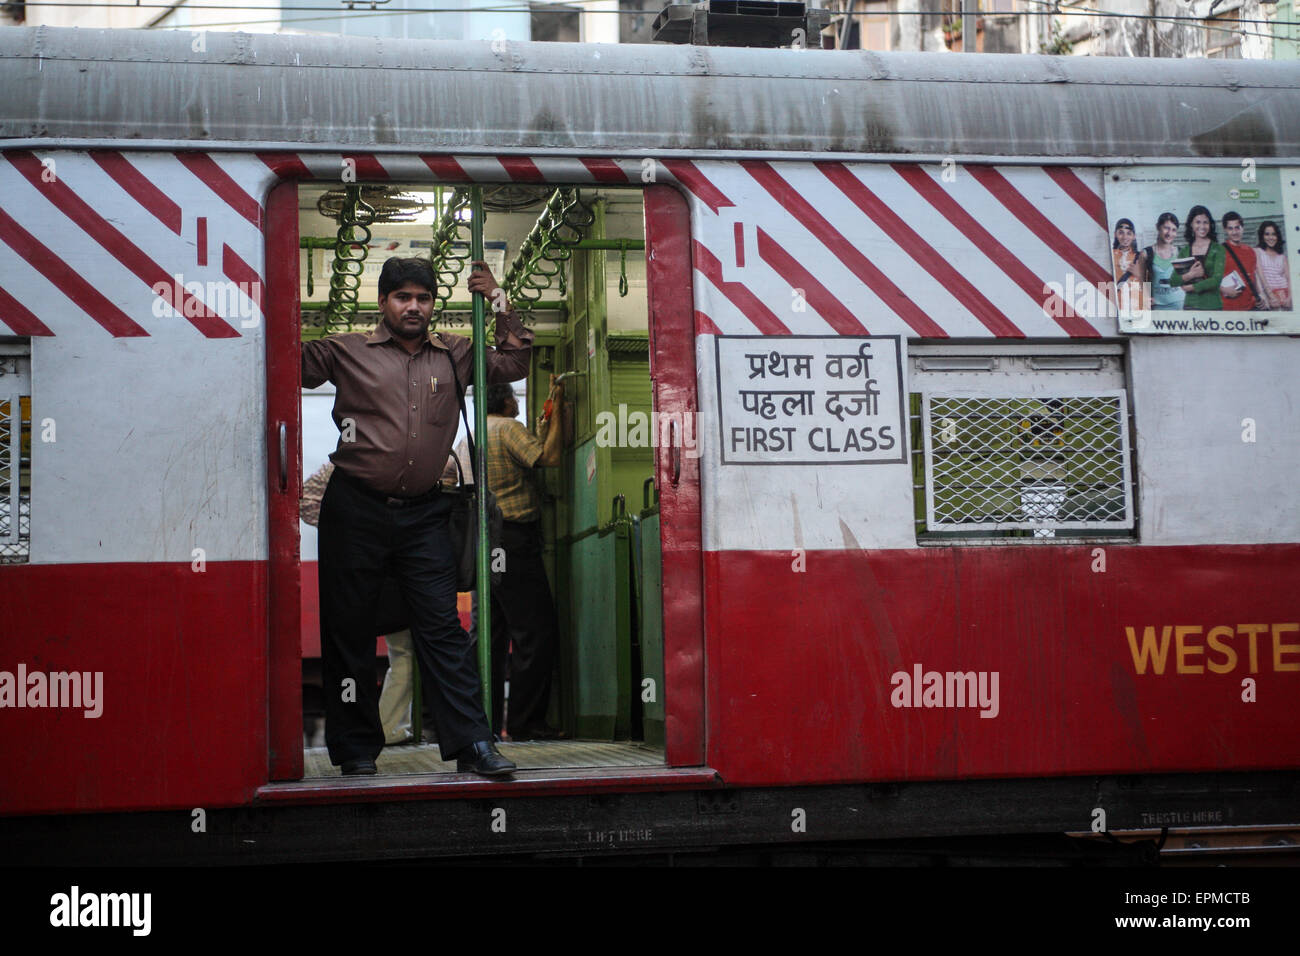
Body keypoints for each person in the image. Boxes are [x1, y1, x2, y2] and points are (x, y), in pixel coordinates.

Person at [302, 256, 531, 777]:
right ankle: (356, 752)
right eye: (402, 297)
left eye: (423, 298)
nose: (413, 307)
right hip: (354, 508)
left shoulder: (456, 353)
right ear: (382, 302)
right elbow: (280, 363)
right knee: (349, 632)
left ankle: (472, 744)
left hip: (426, 513)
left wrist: (498, 298)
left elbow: (515, 363)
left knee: (443, 628)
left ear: (433, 304)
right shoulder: (345, 350)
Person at [450, 380, 566, 741]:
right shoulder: (507, 428)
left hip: (483, 544)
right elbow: (547, 457)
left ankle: (476, 724)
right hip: (513, 540)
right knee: (534, 631)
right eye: (514, 396)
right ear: (504, 401)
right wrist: (559, 411)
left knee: (489, 635)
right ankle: (525, 722)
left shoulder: (464, 441)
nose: (517, 402)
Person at [300, 461, 416, 747]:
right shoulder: (396, 462)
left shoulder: (338, 464)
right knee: (404, 652)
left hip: (352, 568)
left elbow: (306, 502)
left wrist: (342, 530)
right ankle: (387, 727)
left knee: (355, 651)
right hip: (389, 571)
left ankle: (360, 734)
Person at [1171, 205, 1224, 310]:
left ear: (1210, 225)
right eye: (1198, 222)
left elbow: (1216, 280)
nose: (1202, 226)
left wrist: (1192, 287)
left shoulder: (1218, 249)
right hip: (1190, 306)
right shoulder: (1185, 251)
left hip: (1212, 306)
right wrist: (1191, 275)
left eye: (1205, 222)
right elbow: (1173, 281)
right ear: (1191, 224)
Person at [1219, 212, 1260, 312]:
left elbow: (1254, 277)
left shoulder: (1250, 251)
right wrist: (1224, 290)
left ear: (1243, 228)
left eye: (1237, 227)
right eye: (1230, 228)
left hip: (1251, 306)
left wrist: (1259, 296)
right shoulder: (1219, 251)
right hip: (1229, 308)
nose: (1234, 232)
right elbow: (1208, 278)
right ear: (1225, 230)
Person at [1144, 212, 1184, 311]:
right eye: (1166, 228)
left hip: (1180, 304)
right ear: (1158, 227)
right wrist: (1145, 297)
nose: (1169, 233)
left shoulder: (1180, 252)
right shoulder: (1146, 253)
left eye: (1174, 230)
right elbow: (1140, 280)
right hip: (1157, 306)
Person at [1111, 218, 1147, 314]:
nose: (1125, 237)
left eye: (1129, 233)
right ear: (1115, 234)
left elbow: (1149, 283)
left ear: (1134, 236)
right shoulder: (1110, 256)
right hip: (1117, 302)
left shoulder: (1140, 257)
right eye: (1121, 233)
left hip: (1137, 303)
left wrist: (1139, 274)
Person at [1256, 221, 1292, 310]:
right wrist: (1270, 296)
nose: (1271, 237)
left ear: (1277, 236)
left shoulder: (1282, 257)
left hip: (1285, 297)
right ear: (1262, 236)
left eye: (1274, 234)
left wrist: (1290, 298)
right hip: (1269, 297)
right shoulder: (1257, 252)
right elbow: (1260, 276)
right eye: (1267, 234)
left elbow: (1289, 279)